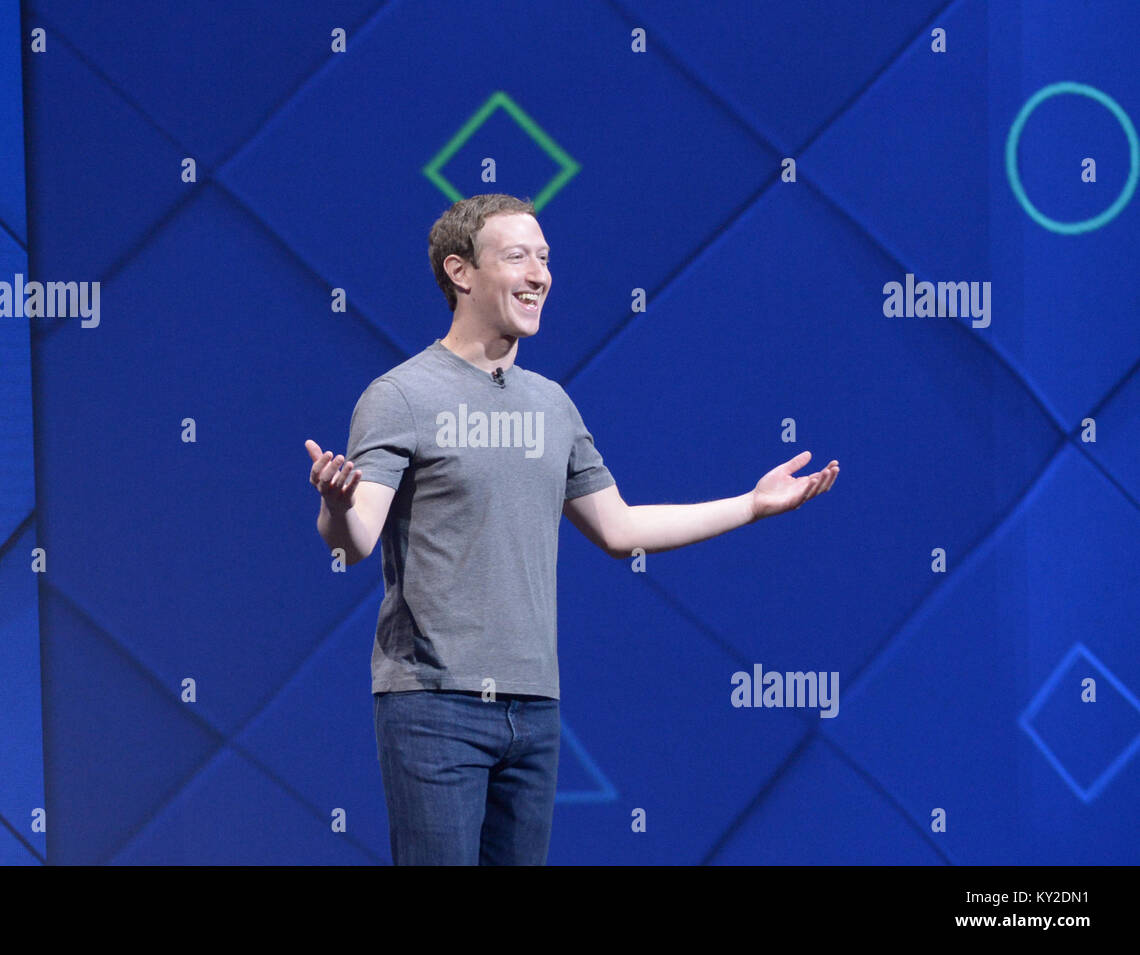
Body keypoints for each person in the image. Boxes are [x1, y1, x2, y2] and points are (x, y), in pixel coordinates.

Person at [304, 194, 839, 865]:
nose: (540, 275)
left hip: (533, 708)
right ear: (460, 272)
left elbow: (620, 527)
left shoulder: (551, 404)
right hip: (434, 706)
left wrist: (752, 504)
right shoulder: (402, 395)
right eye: (517, 256)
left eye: (546, 258)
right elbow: (354, 539)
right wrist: (334, 502)